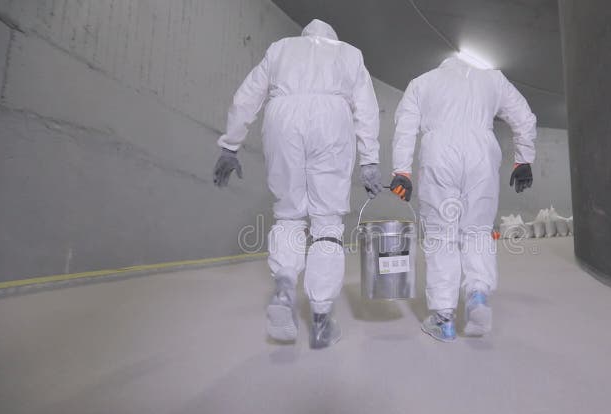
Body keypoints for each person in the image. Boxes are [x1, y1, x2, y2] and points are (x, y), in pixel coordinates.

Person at [212, 19, 383, 349]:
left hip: (283, 117)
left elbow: (247, 95)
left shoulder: (279, 49)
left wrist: (230, 145)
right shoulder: (350, 54)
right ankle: (321, 321)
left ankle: (285, 284)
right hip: (333, 120)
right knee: (328, 223)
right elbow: (366, 109)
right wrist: (370, 160)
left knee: (289, 214)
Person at [390, 55, 536, 342]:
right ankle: (477, 295)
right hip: (482, 151)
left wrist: (401, 172)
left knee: (441, 235)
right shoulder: (493, 79)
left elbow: (404, 129)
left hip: (439, 152)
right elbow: (524, 117)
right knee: (478, 230)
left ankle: (443, 321)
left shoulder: (422, 83)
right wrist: (524, 159)